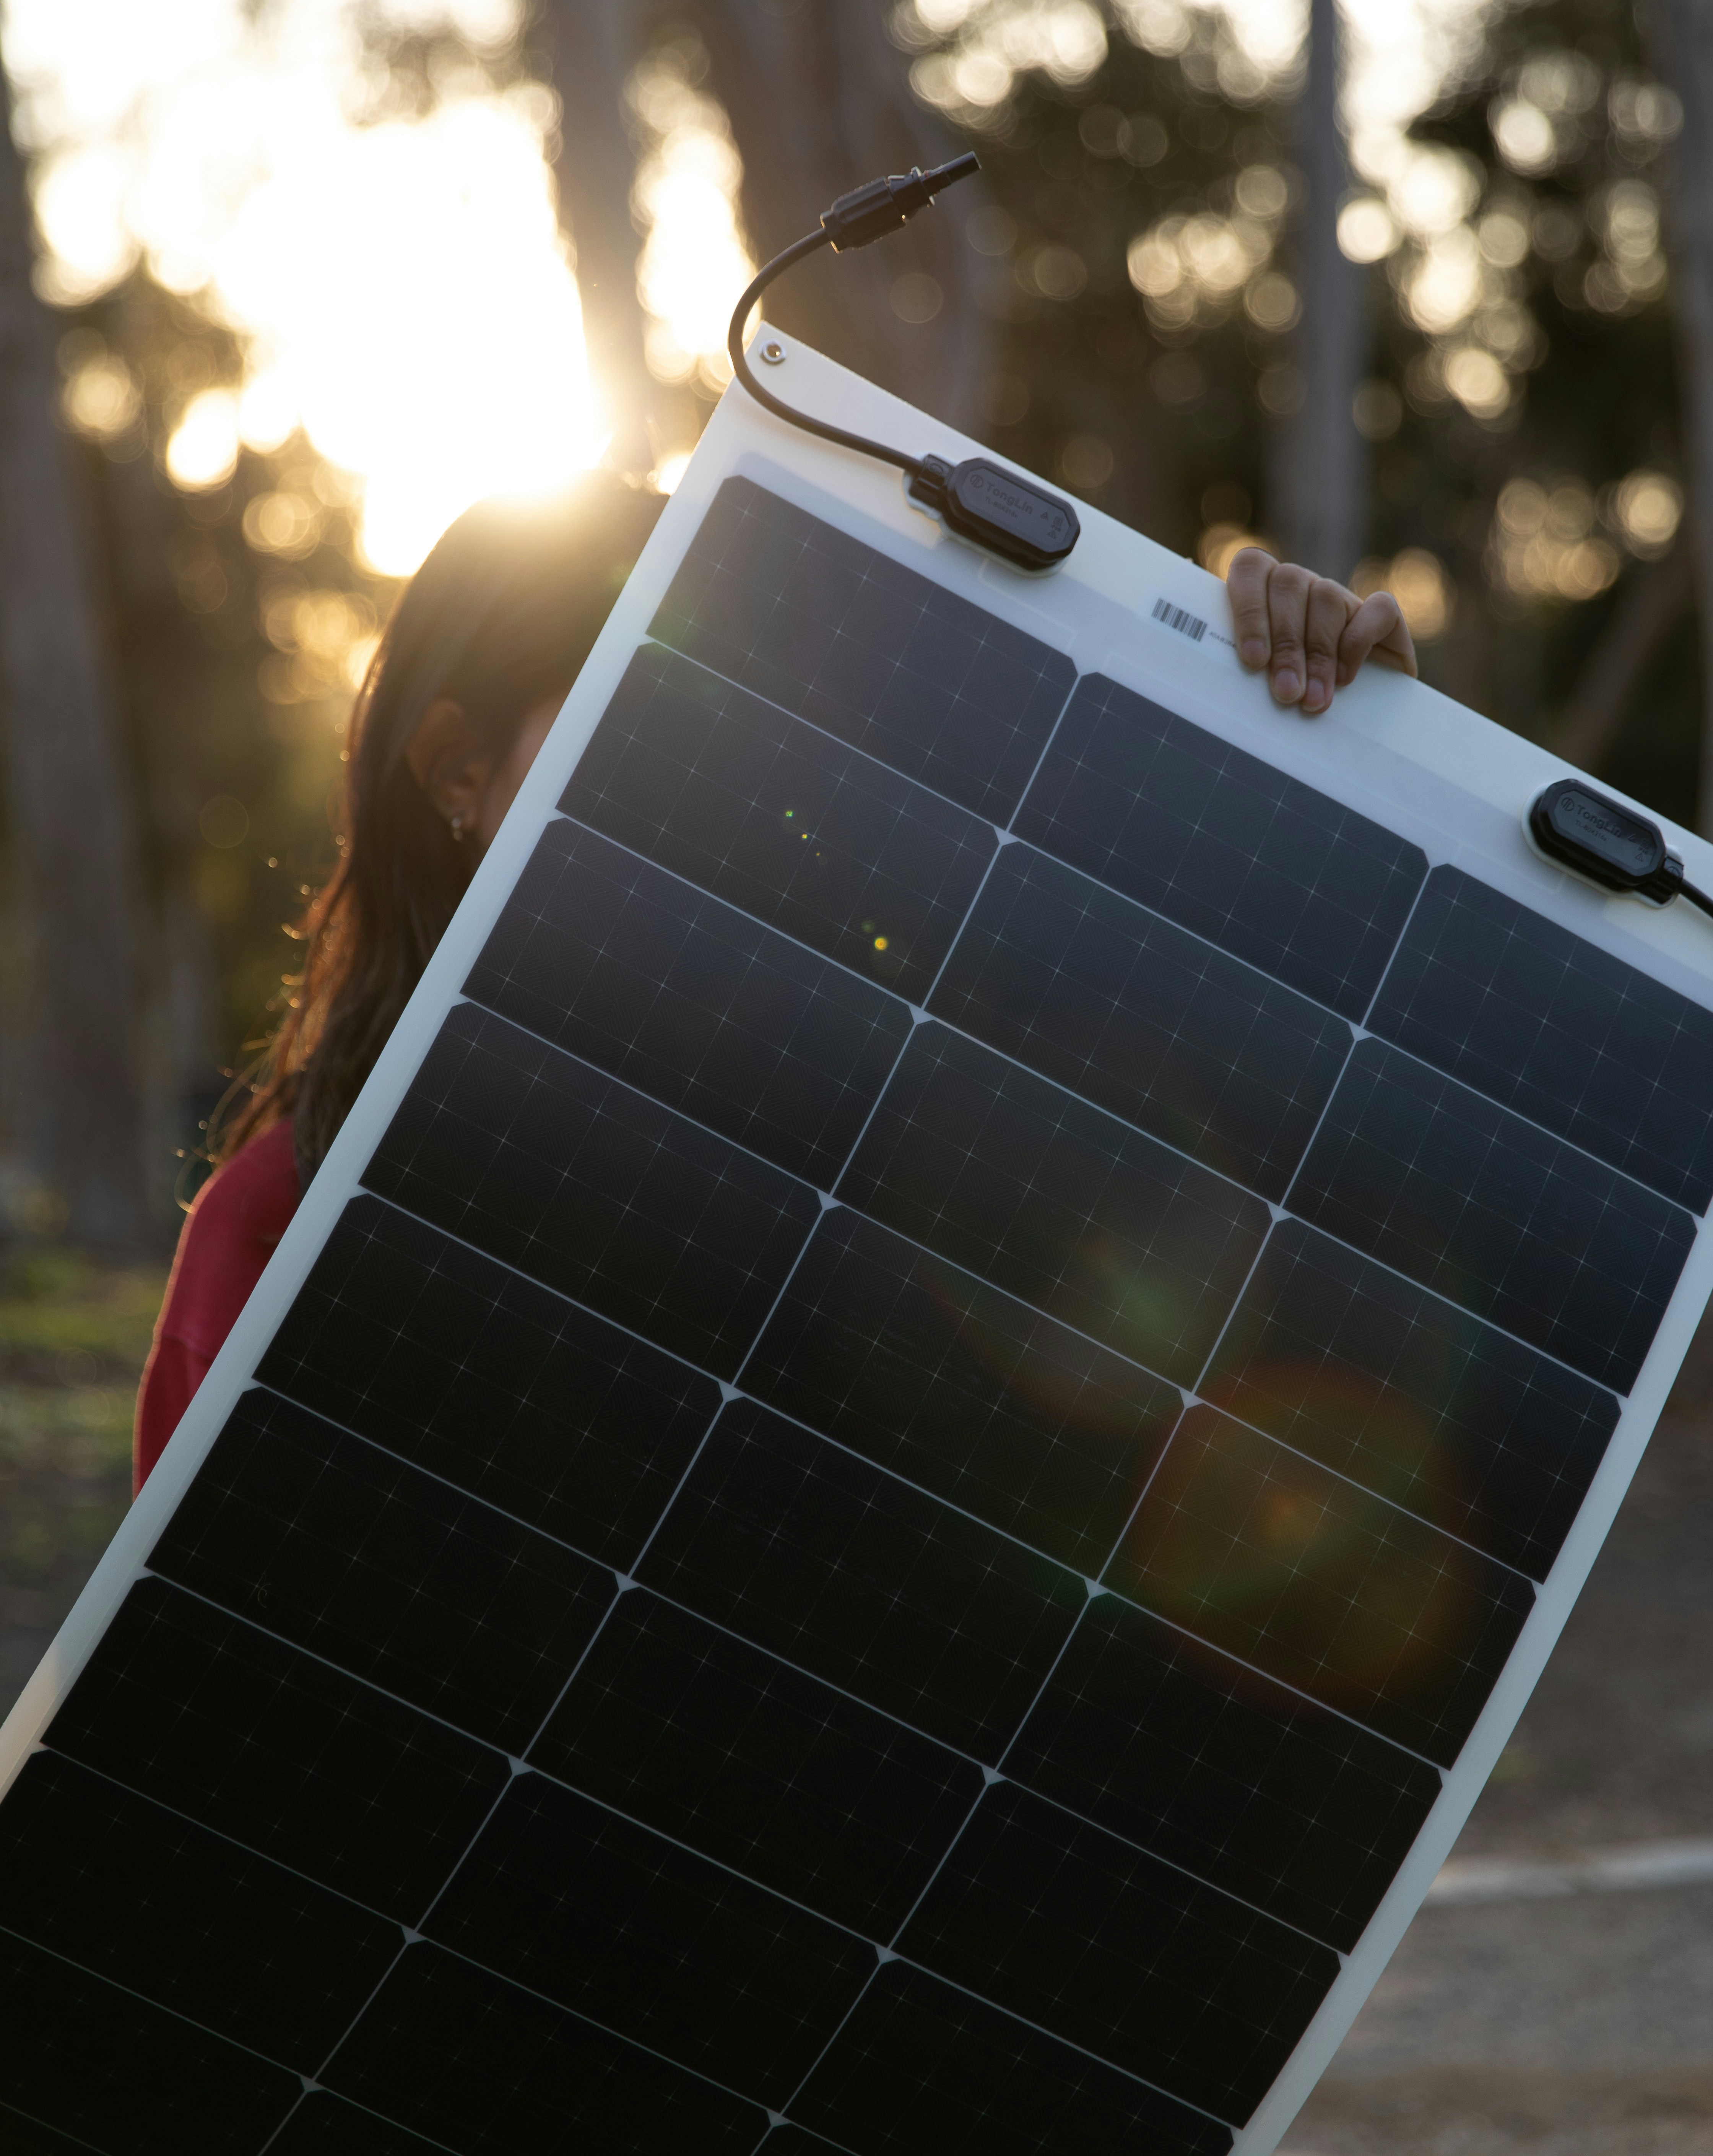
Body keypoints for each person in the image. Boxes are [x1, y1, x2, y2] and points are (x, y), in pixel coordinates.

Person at [132, 507, 1415, 1491]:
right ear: (458, 768)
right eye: (636, 747)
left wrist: (1343, 738)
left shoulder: (930, 1164)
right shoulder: (278, 1235)